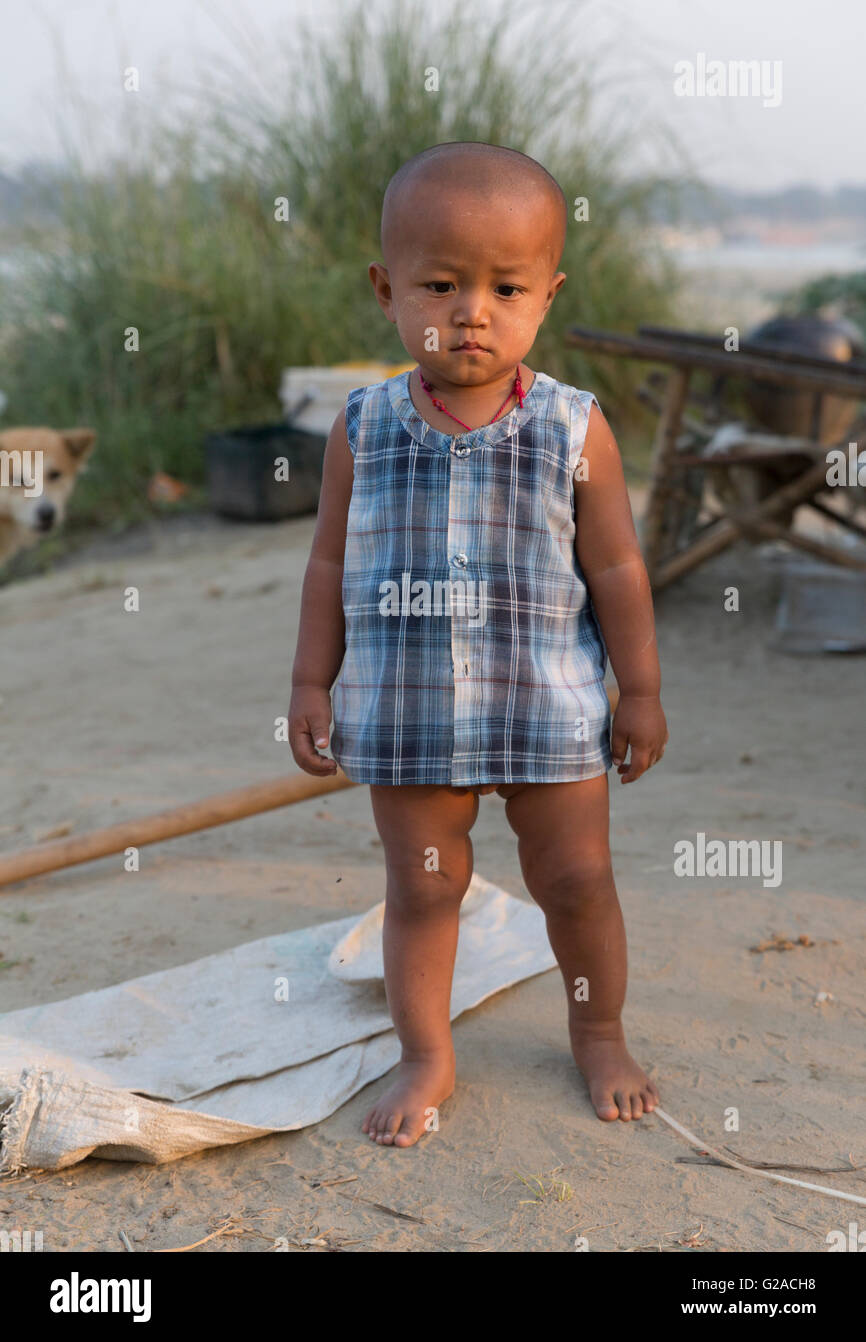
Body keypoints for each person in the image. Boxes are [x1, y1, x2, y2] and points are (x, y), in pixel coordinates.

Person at [290, 141, 668, 1148]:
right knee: (421, 885)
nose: (471, 312)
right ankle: (426, 1055)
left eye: (505, 286)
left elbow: (618, 571)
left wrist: (639, 689)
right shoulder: (361, 429)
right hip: (407, 711)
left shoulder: (572, 429)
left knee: (576, 879)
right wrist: (308, 683)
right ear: (386, 289)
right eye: (440, 284)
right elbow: (328, 566)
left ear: (546, 293)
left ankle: (596, 1028)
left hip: (547, 703)